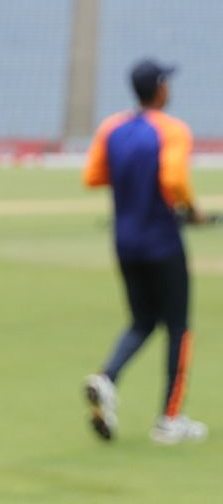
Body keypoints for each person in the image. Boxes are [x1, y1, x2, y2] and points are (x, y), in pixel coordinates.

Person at [82, 57, 208, 445]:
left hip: (125, 241)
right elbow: (174, 180)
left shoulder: (112, 128)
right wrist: (193, 211)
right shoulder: (172, 130)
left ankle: (107, 378)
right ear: (159, 88)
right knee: (179, 327)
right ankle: (170, 419)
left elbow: (93, 176)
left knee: (142, 320)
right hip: (163, 242)